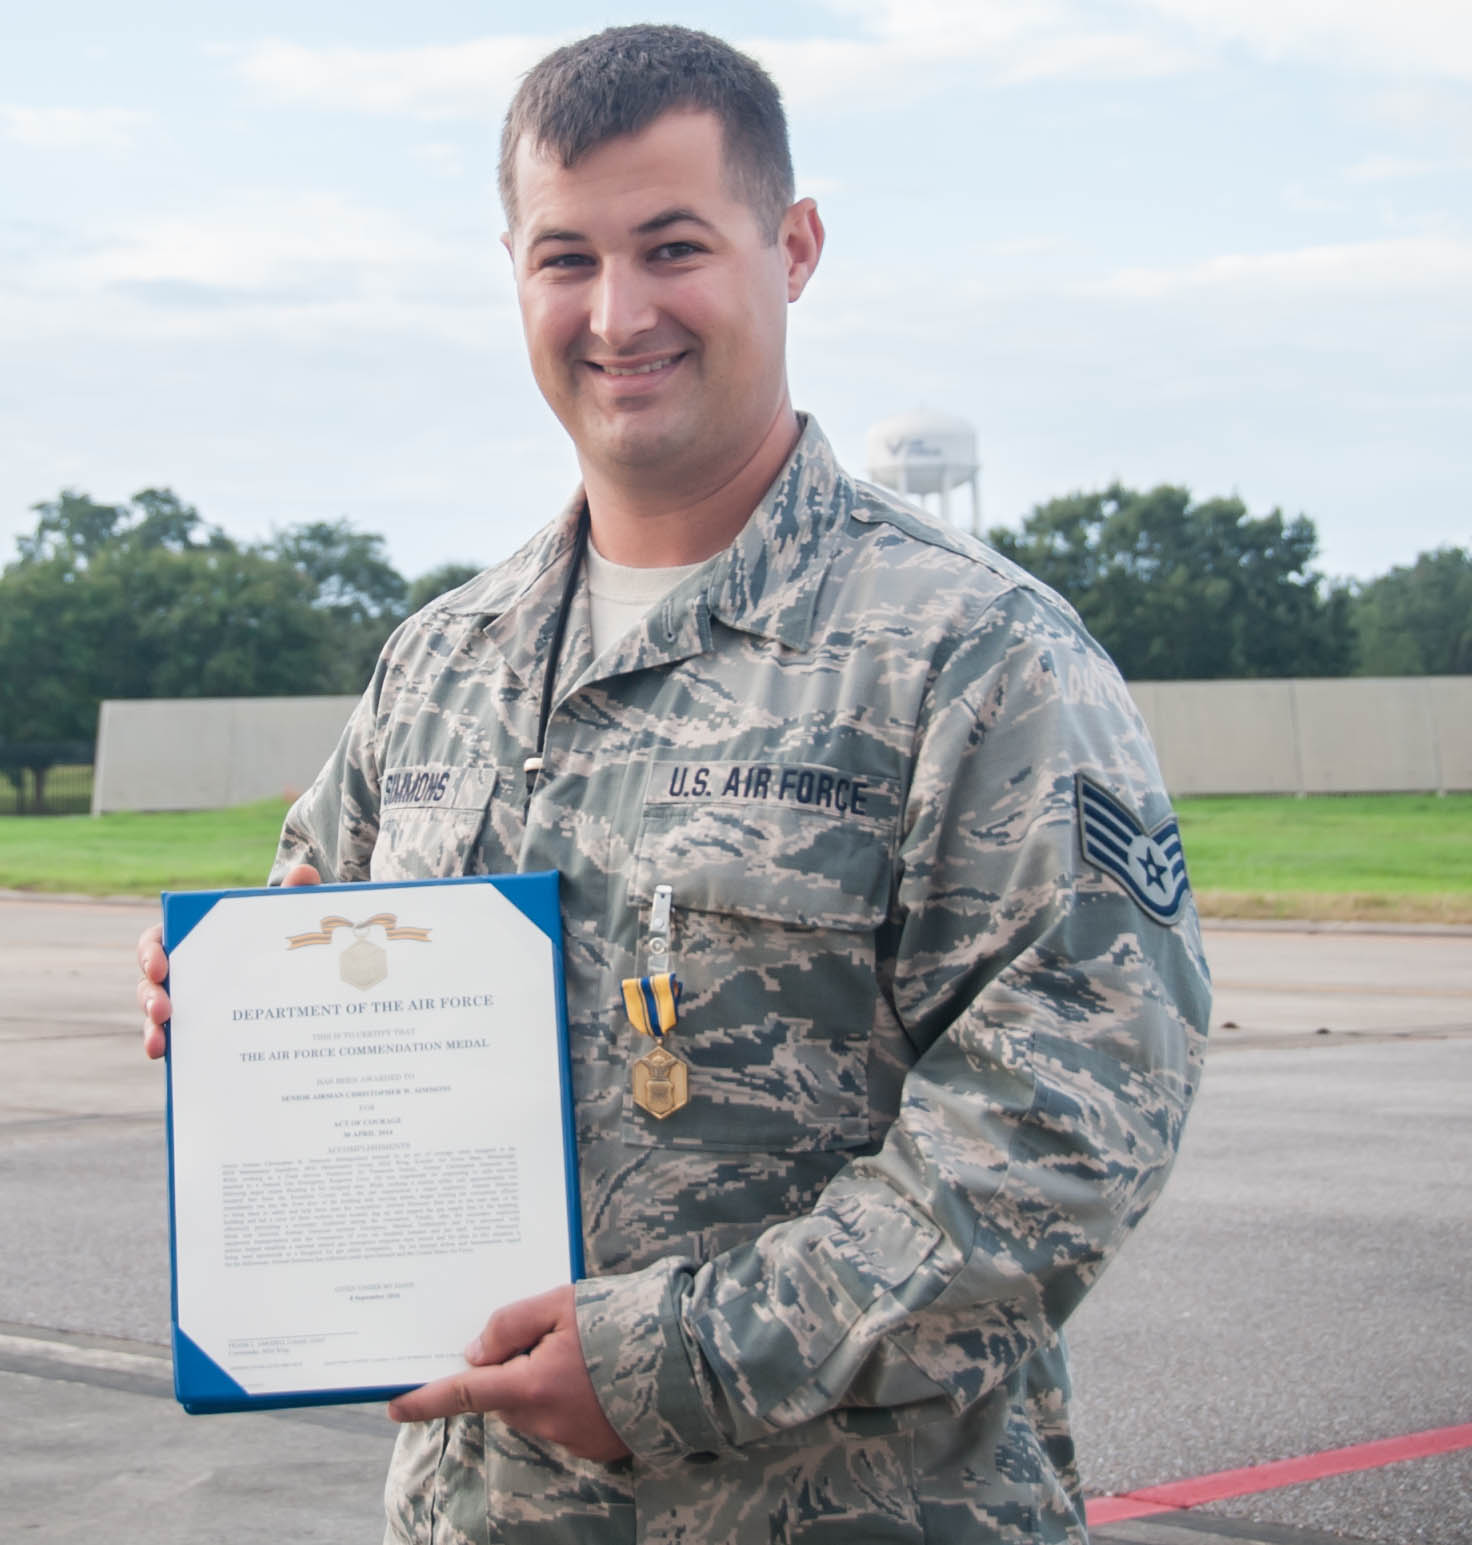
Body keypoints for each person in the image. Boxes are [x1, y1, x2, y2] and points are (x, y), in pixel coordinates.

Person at [135, 24, 1210, 1544]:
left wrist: (672, 1362)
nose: (617, 311)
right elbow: (313, 912)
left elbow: (1065, 1133)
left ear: (796, 244)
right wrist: (225, 992)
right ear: (512, 268)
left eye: (672, 245)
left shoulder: (975, 658)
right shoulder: (440, 662)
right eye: (565, 257)